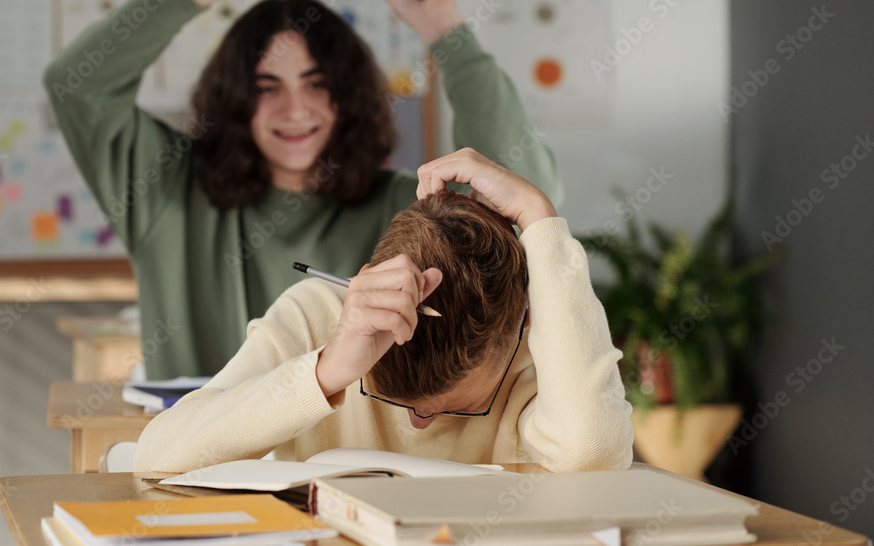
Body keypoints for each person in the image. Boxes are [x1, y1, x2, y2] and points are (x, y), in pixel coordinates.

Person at [43, 0, 563, 379]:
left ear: (348, 97)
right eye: (267, 87)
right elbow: (77, 85)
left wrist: (447, 32)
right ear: (236, 101)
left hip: (354, 471)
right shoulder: (166, 192)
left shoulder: (406, 206)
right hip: (203, 471)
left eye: (316, 84)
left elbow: (526, 197)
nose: (294, 109)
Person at [133, 149, 633, 474]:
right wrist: (327, 371)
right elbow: (156, 456)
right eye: (401, 399)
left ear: (520, 328)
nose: (421, 424)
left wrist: (539, 218)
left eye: (451, 404)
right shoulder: (318, 315)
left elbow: (594, 452)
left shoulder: (542, 356)